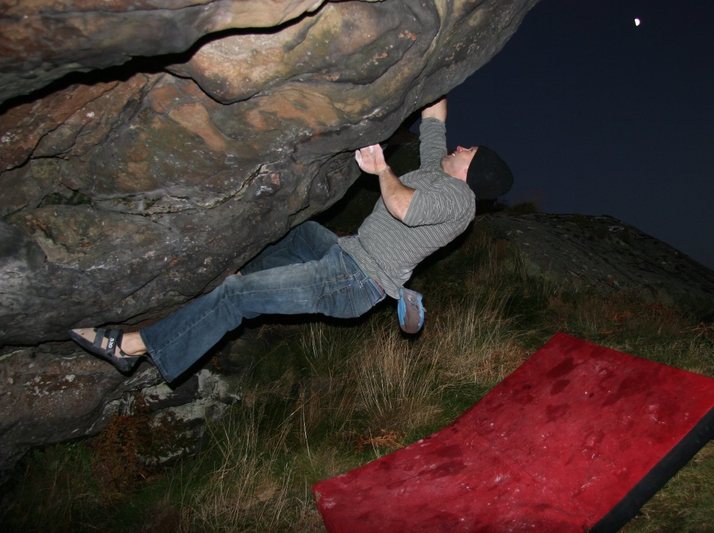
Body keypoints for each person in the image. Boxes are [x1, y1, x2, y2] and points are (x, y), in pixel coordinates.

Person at [69, 98, 513, 383]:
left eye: (470, 151)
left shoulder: (459, 201)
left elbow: (405, 207)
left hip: (356, 280)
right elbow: (434, 118)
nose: (463, 146)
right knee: (295, 232)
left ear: (476, 172)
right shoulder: (440, 172)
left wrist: (382, 170)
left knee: (237, 299)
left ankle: (131, 347)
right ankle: (247, 277)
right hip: (345, 253)